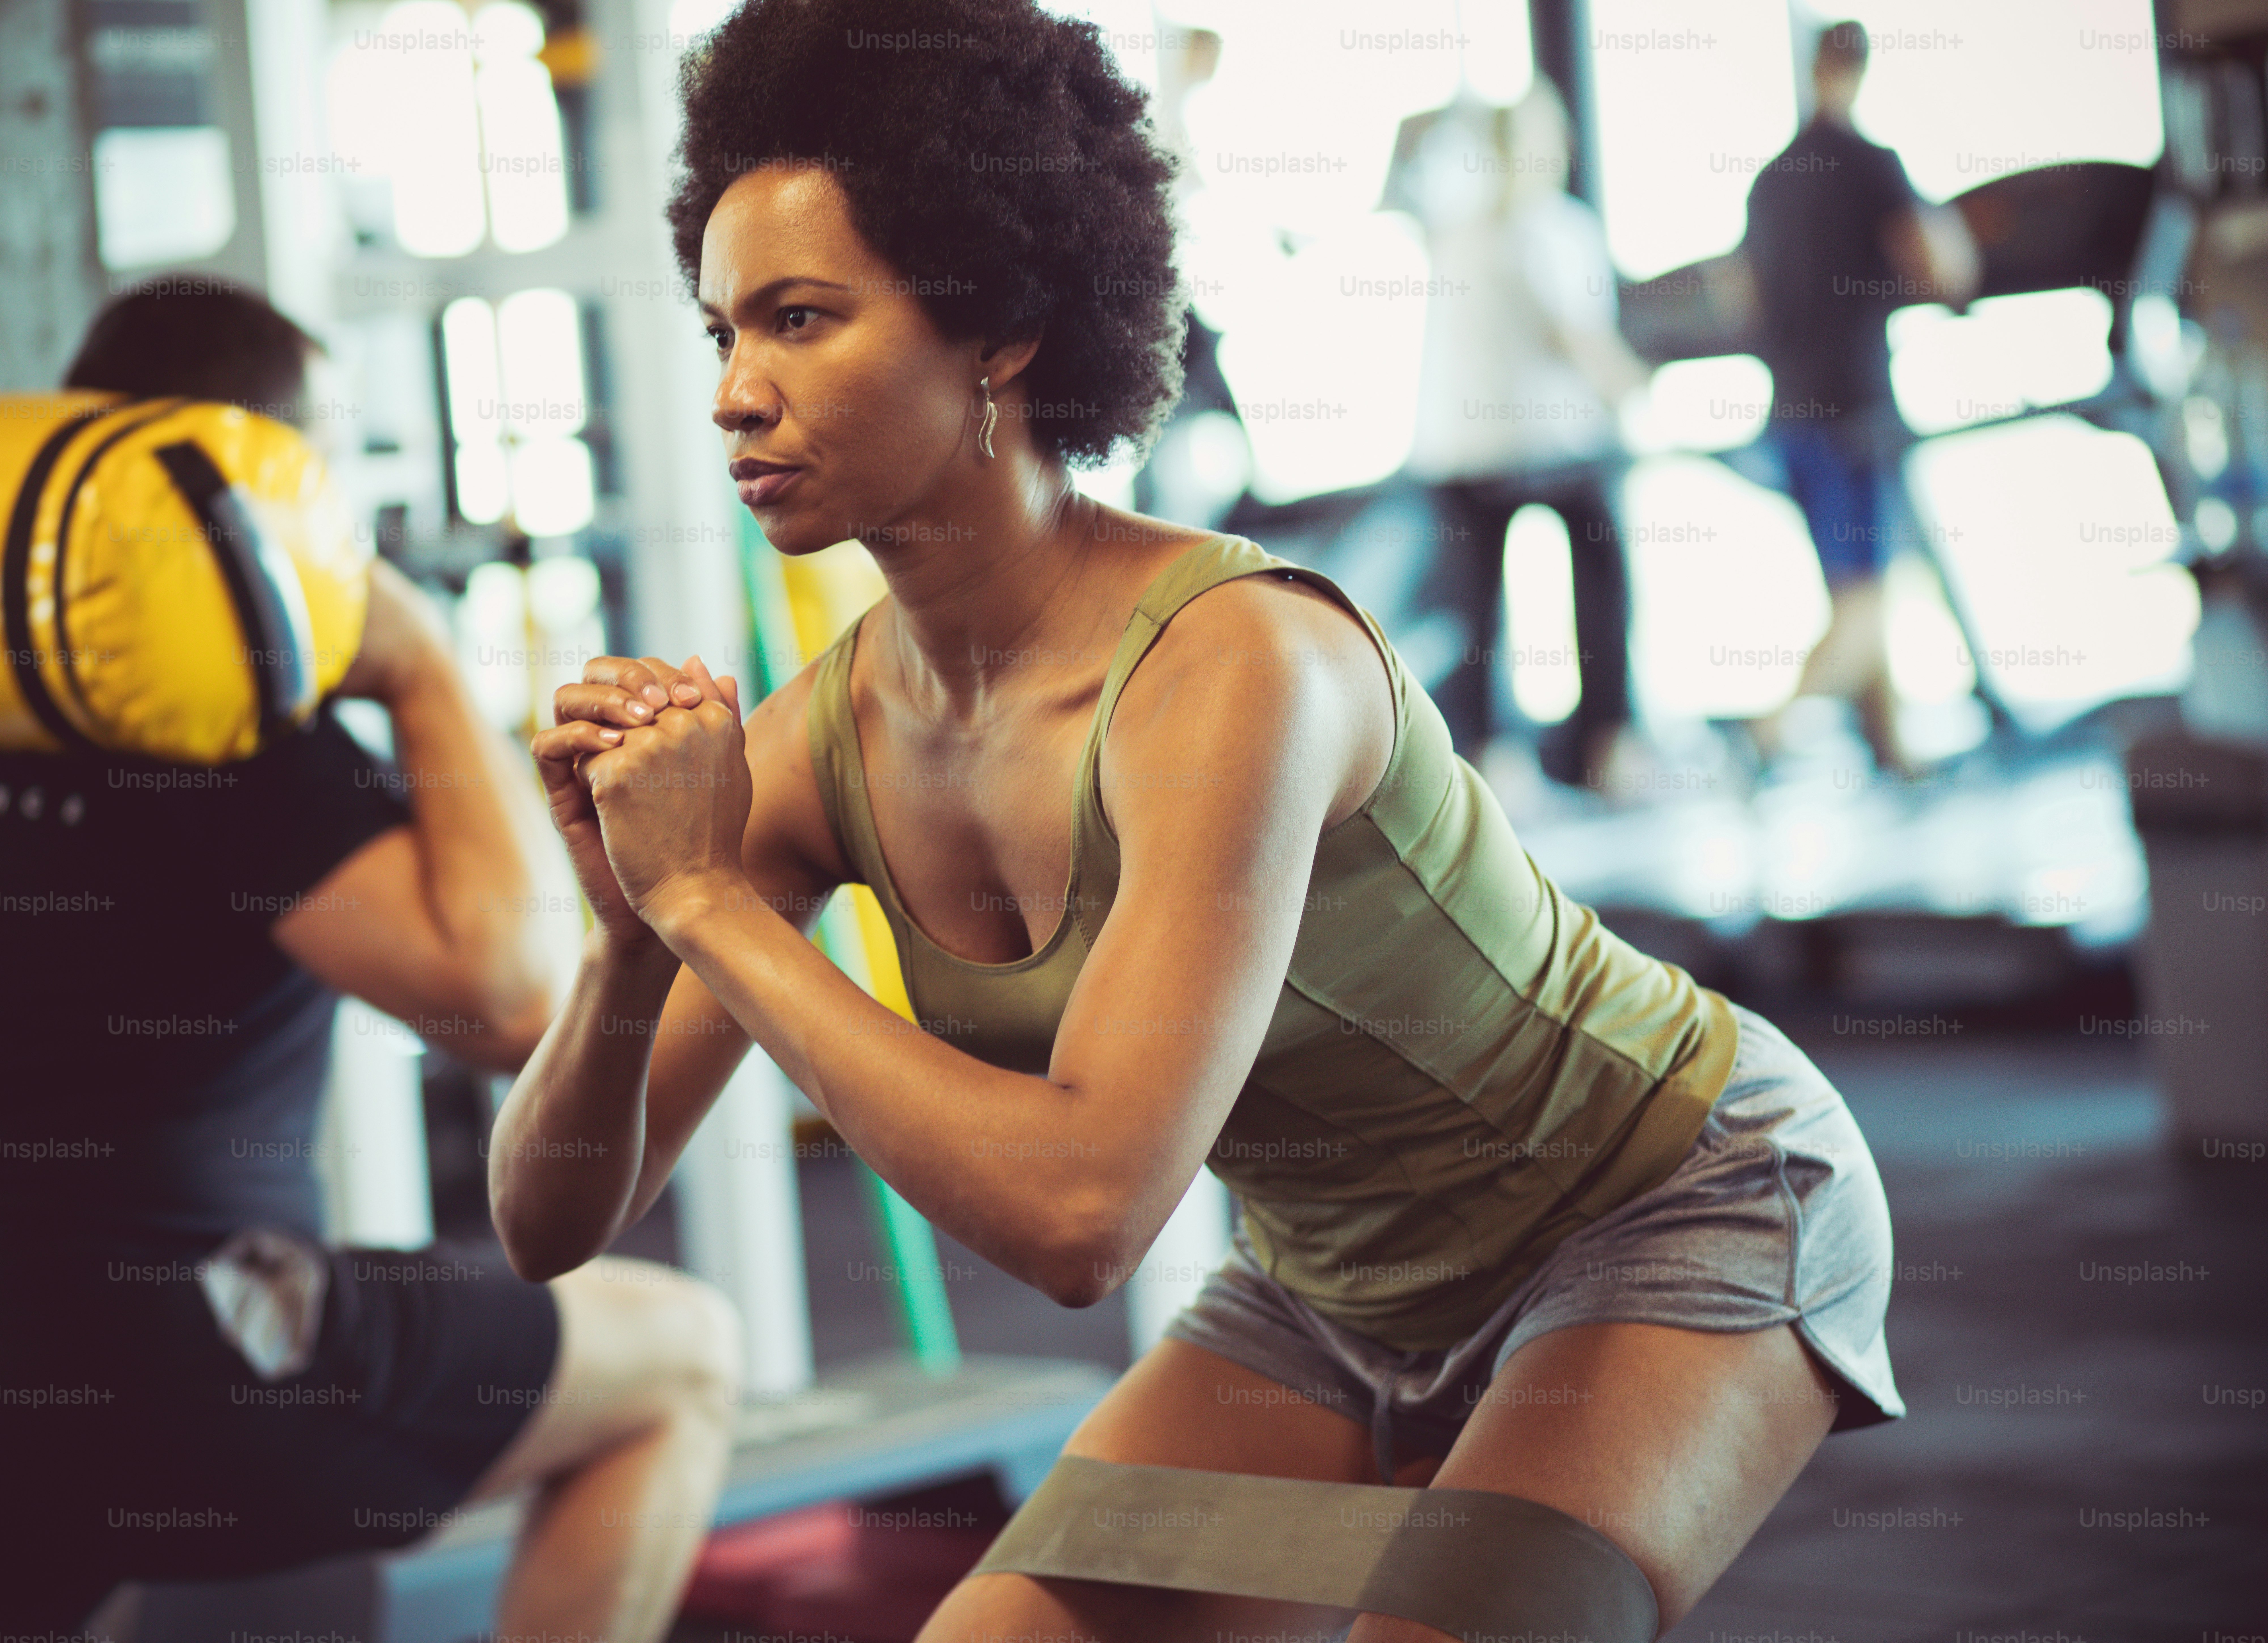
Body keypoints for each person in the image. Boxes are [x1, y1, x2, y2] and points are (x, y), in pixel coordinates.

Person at [492, 2, 1905, 1639]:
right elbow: (550, 1219)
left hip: (1665, 1203)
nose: (738, 391)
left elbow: (1085, 1216)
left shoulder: (1236, 666)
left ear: (998, 330)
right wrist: (627, 930)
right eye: (724, 330)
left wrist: (714, 907)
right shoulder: (827, 742)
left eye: (800, 320)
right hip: (1331, 1285)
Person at [0, 280, 741, 1641]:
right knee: (685, 1358)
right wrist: (419, 666)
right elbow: (504, 996)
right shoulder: (226, 725)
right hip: (170, 1355)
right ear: (265, 481)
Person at [1399, 81, 1649, 791]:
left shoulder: (1459, 231)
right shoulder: (1550, 229)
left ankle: (1488, 765)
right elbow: (1580, 343)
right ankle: (1609, 749)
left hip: (1461, 454)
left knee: (1475, 613)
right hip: (1543, 450)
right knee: (1601, 582)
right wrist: (1640, 388)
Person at [1742, 20, 1977, 774]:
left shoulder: (1768, 181)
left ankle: (1895, 752)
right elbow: (1940, 273)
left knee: (1855, 587)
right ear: (1860, 70)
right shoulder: (1871, 164)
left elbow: (1747, 298)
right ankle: (1769, 726)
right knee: (1865, 608)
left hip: (1790, 415)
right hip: (1854, 413)